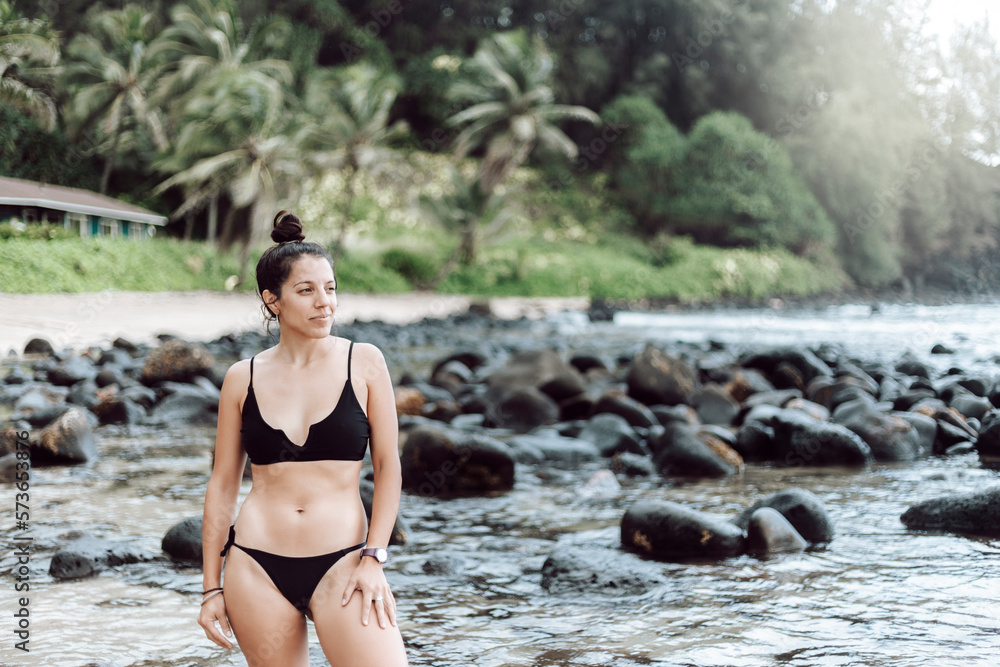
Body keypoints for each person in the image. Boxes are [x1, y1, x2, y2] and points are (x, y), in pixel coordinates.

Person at [198, 210, 408, 666]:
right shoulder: (242, 378)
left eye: (330, 288)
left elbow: (389, 466)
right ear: (273, 300)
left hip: (345, 563)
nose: (324, 303)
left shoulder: (365, 363)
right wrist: (211, 587)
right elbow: (222, 486)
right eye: (306, 290)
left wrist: (375, 557)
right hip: (256, 566)